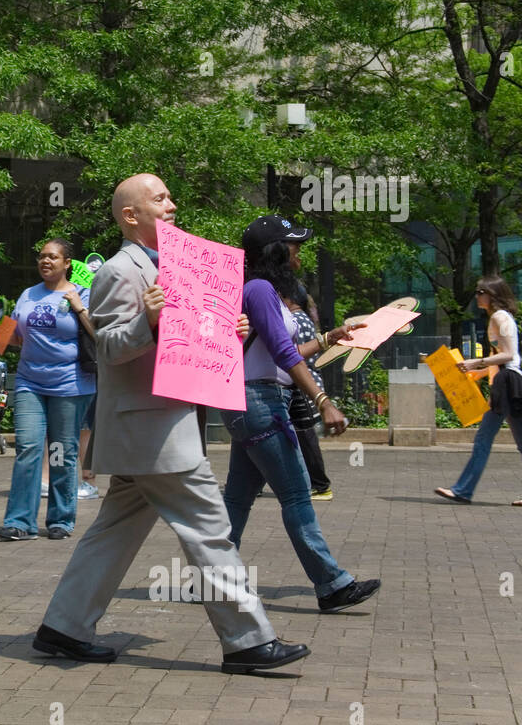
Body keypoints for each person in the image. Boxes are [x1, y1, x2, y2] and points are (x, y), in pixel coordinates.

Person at [34, 175, 307, 673]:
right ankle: (248, 641)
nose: (173, 204)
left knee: (113, 532)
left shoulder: (173, 267)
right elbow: (109, 350)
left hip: (155, 426)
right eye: (160, 199)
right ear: (130, 215)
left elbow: (189, 346)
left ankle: (63, 628)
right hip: (154, 430)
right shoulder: (120, 271)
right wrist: (149, 321)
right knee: (210, 527)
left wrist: (232, 332)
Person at [222, 215, 380, 613]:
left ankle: (211, 578)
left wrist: (329, 338)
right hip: (260, 402)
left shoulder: (266, 292)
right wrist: (323, 401)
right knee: (296, 494)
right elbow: (282, 353)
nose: (299, 251)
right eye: (293, 245)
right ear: (274, 251)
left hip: (252, 402)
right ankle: (331, 585)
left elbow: (281, 351)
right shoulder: (258, 289)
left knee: (238, 499)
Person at [0, 239, 97, 541]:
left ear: (67, 263)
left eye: (52, 257)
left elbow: (101, 335)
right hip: (30, 382)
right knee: (28, 447)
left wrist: (80, 309)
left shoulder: (83, 293)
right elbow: (15, 339)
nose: (45, 261)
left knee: (62, 451)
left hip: (70, 383)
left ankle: (61, 520)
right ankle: (19, 521)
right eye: (42, 256)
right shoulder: (28, 295)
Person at [436, 276, 522, 507]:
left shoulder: (499, 317)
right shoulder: (498, 317)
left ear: (493, 294)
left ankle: (464, 490)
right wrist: (478, 372)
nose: (477, 296)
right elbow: (504, 361)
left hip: (507, 386)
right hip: (507, 384)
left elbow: (509, 355)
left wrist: (474, 364)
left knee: (487, 439)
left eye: (481, 292)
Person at [282, 285, 331, 500]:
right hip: (301, 383)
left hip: (300, 384)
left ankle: (320, 485)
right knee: (293, 433)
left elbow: (293, 354)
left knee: (303, 434)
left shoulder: (297, 321)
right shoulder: (304, 319)